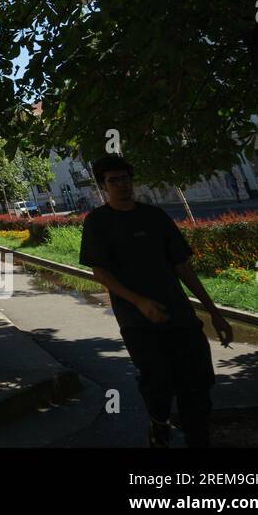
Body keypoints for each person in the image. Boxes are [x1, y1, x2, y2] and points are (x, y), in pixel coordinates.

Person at [78, 155, 233, 447]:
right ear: (103, 186)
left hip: (180, 315)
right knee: (158, 382)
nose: (123, 185)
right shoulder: (98, 222)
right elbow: (101, 272)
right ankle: (159, 423)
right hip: (138, 322)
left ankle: (197, 438)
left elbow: (182, 267)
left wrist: (214, 312)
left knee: (198, 381)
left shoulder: (154, 216)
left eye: (126, 178)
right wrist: (138, 302)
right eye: (114, 180)